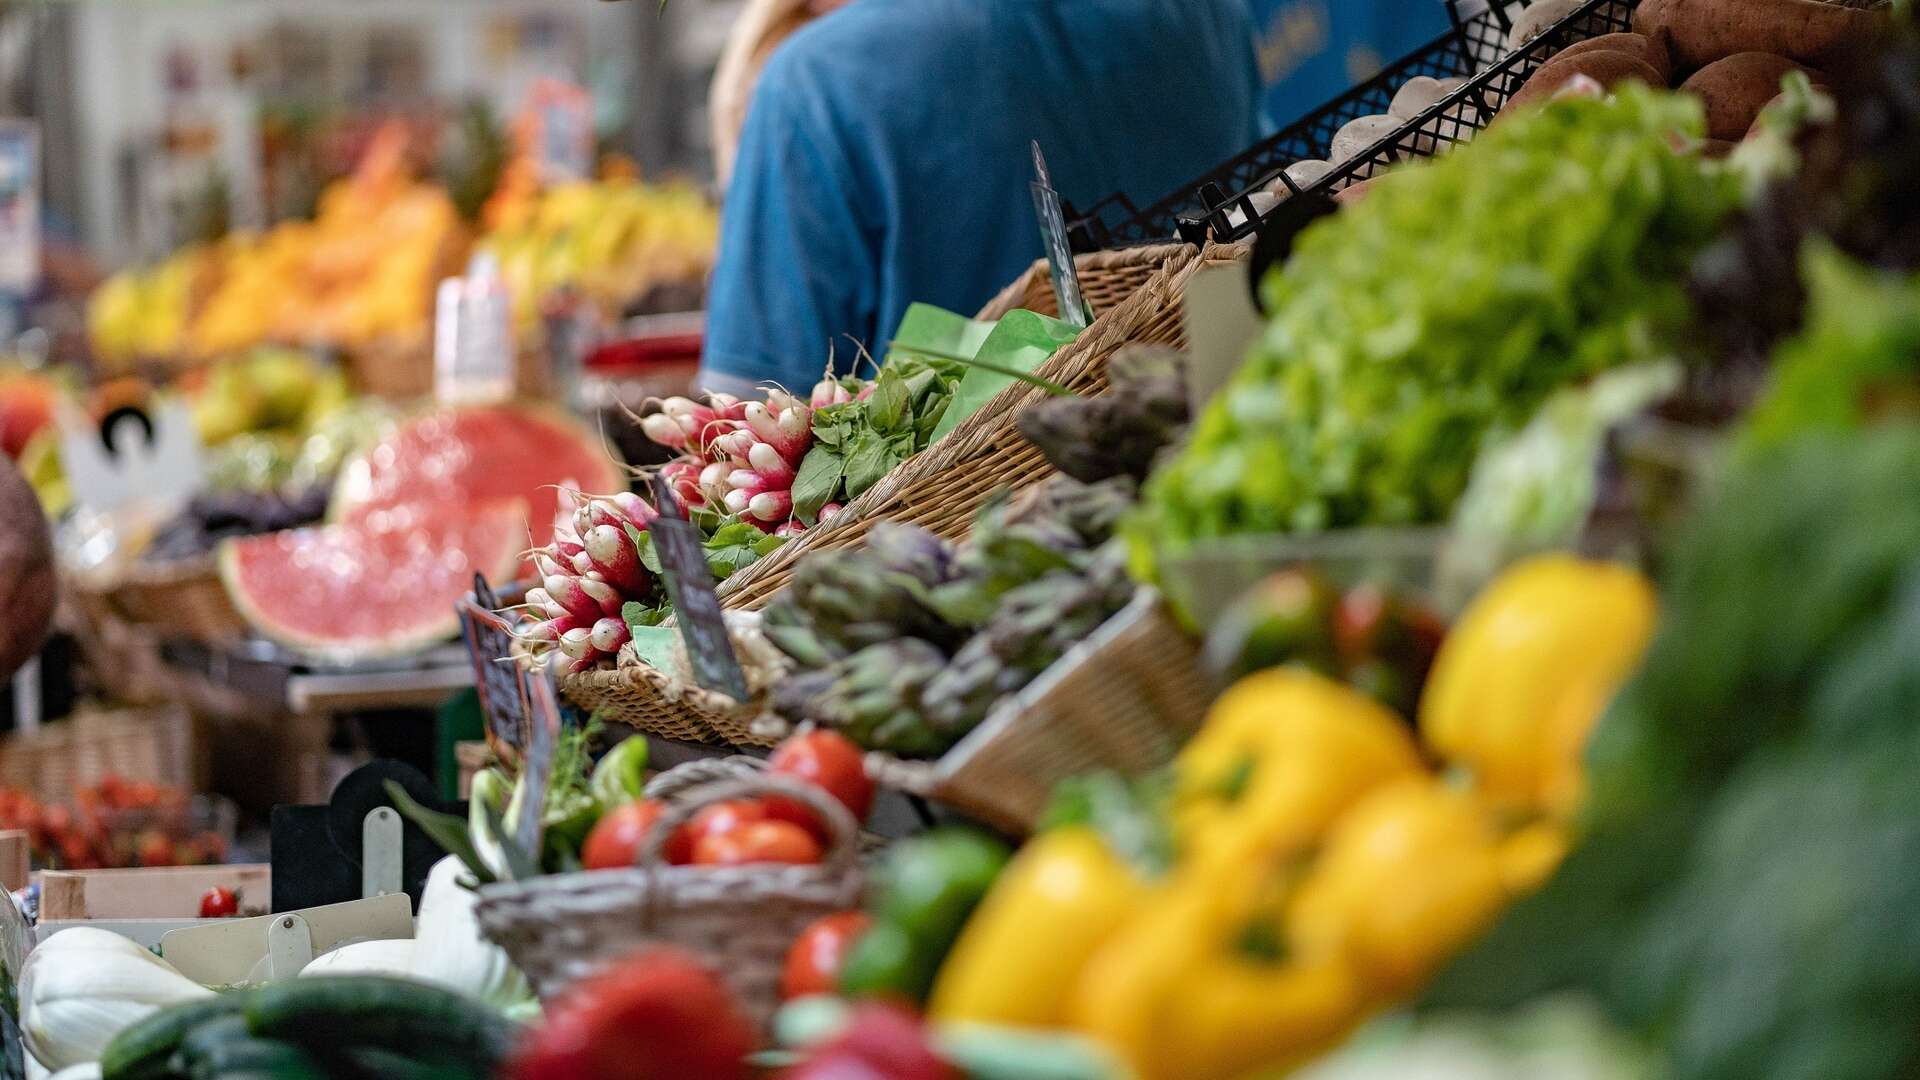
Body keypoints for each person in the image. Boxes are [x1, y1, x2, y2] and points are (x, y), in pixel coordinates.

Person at [698, 0, 1261, 397]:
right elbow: (1275, 198)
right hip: (1221, 477)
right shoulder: (1211, 17)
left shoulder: (816, 77)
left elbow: (746, 420)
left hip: (951, 526)